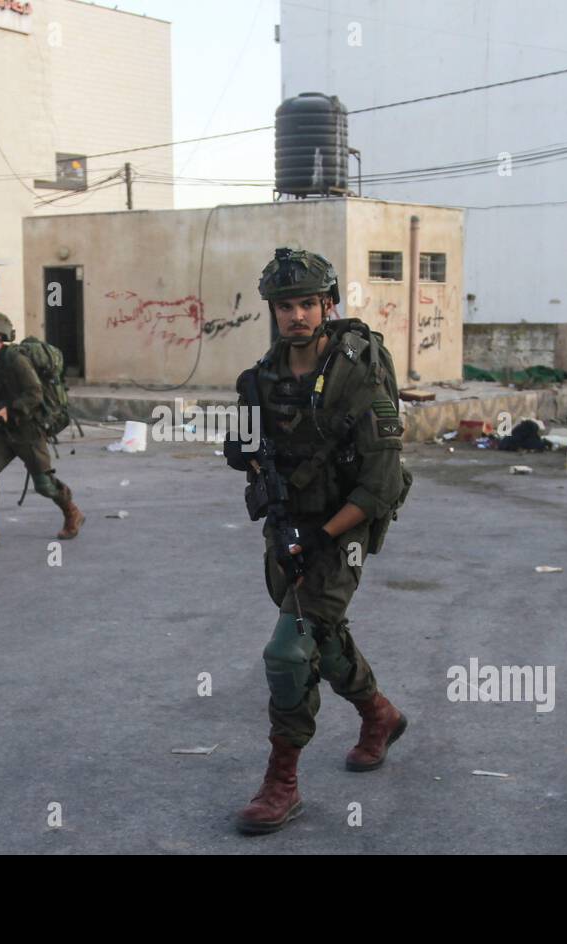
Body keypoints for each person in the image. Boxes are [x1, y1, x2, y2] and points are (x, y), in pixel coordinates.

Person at [226, 248, 408, 835]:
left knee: (288, 650)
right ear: (273, 312)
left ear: (328, 305)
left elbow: (380, 484)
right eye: (285, 306)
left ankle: (282, 782)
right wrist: (252, 463)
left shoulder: (360, 376)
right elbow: (246, 450)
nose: (297, 315)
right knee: (321, 637)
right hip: (289, 528)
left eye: (307, 303)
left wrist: (319, 536)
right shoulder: (263, 376)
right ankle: (379, 715)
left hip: (343, 529)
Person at [0, 311, 84, 547]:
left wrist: (10, 410)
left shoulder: (15, 359)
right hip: (3, 432)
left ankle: (72, 513)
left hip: (28, 430)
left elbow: (34, 393)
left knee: (45, 485)